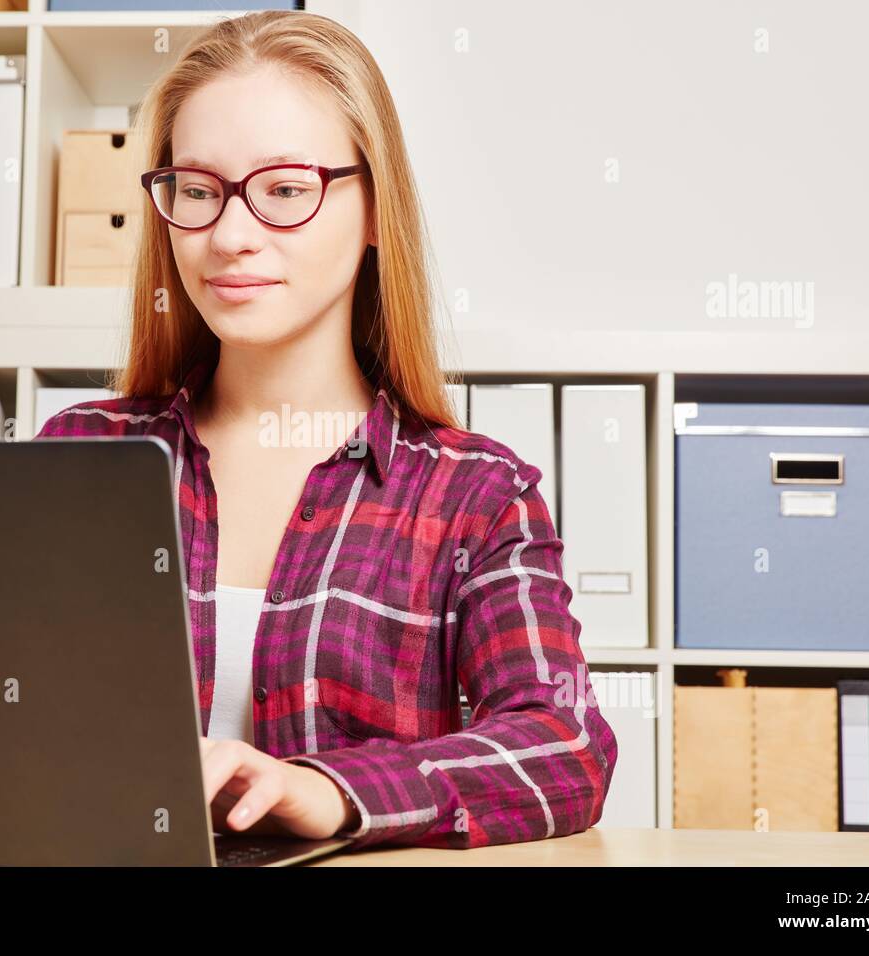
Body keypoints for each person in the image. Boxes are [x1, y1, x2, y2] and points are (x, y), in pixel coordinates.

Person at [37, 10, 617, 850]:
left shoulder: (479, 497)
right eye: (197, 192)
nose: (230, 237)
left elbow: (565, 748)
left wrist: (328, 791)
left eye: (283, 190)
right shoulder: (83, 456)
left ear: (376, 209)